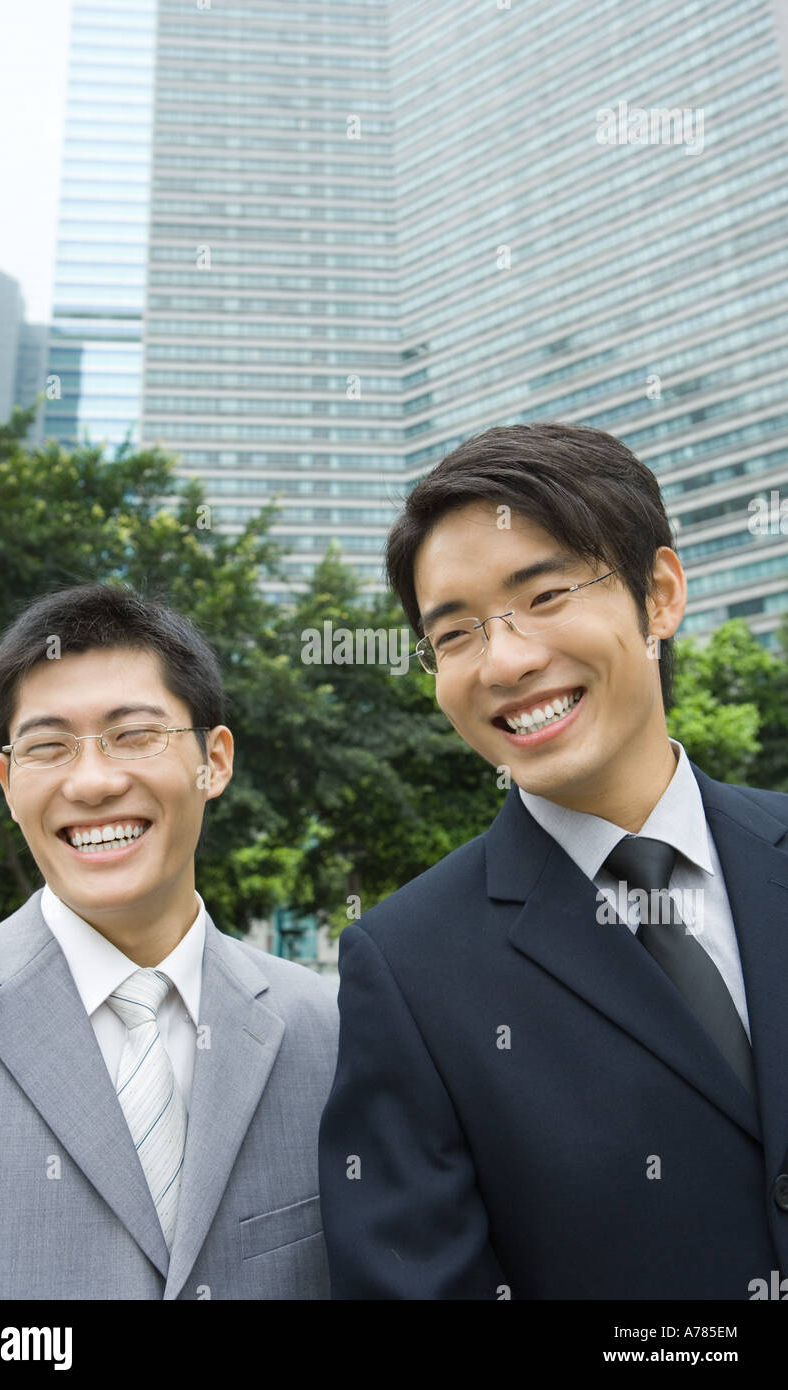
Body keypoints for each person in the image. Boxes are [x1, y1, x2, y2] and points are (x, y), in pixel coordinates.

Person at [318, 422, 788, 1299]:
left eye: (543, 596)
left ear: (659, 593)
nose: (506, 661)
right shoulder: (407, 969)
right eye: (453, 635)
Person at [0, 583, 338, 1299]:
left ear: (215, 761)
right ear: (7, 781)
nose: (92, 782)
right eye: (48, 747)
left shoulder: (331, 1028)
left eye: (134, 735)